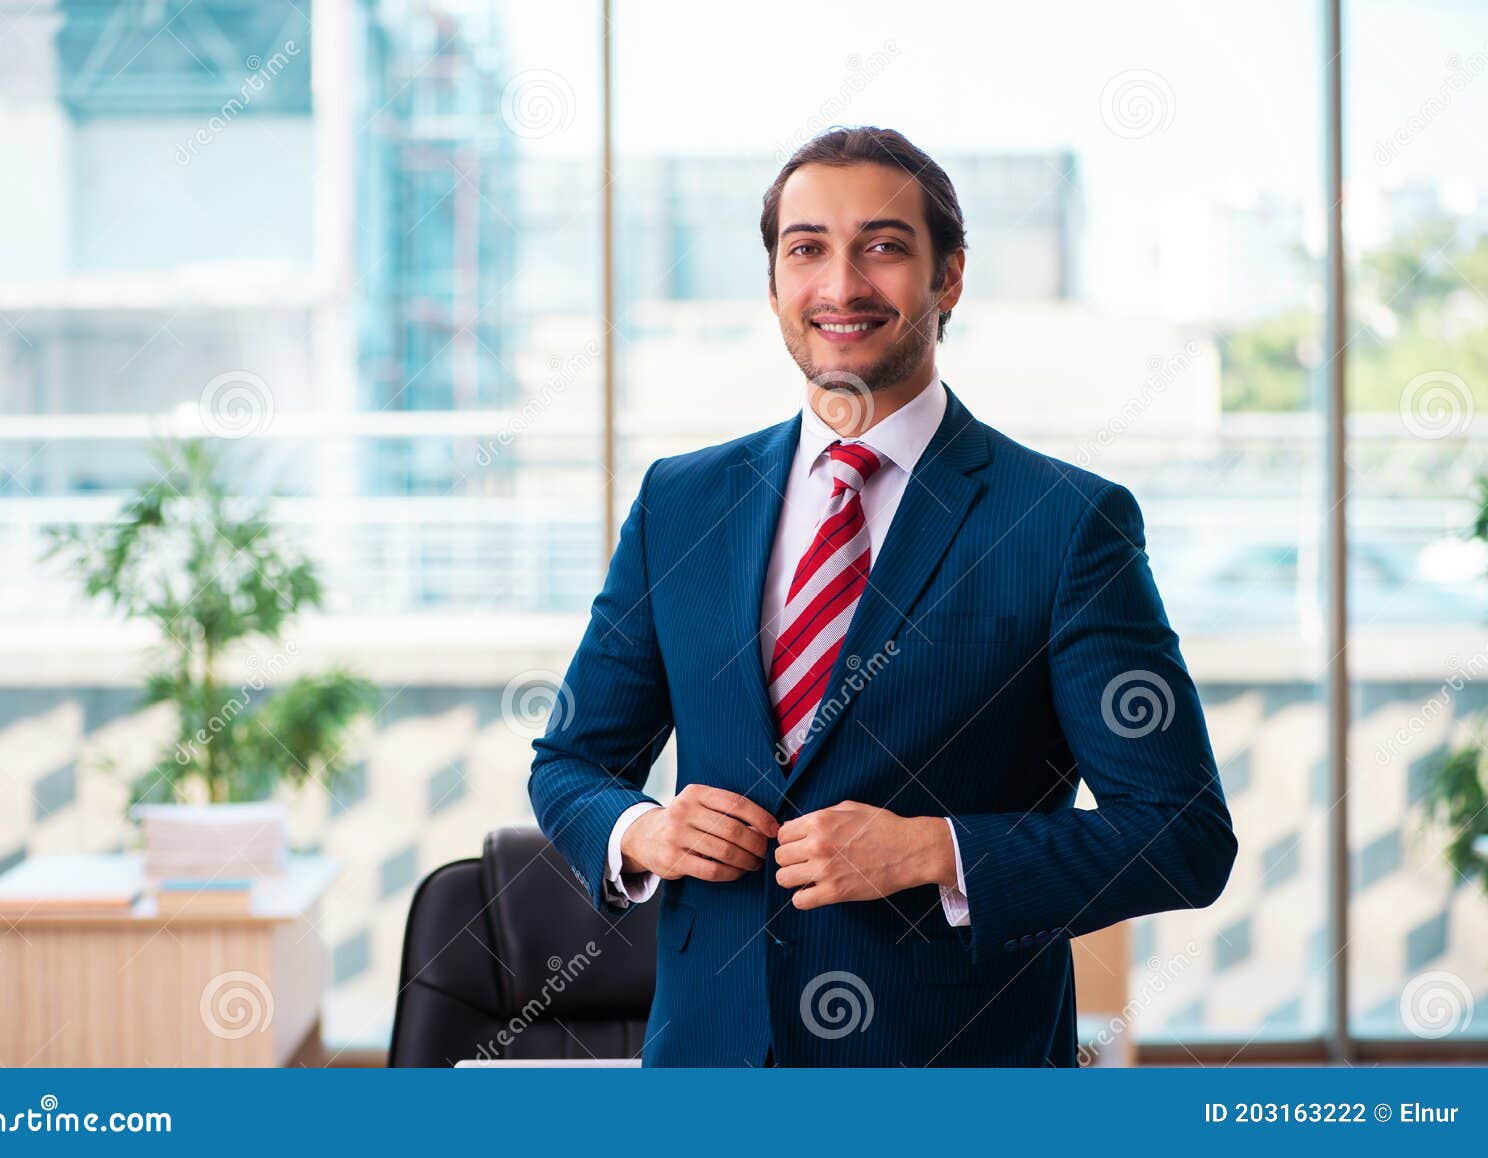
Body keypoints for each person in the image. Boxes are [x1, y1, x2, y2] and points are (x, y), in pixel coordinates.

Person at [529, 125, 1236, 1067]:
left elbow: (1182, 834)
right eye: (807, 248)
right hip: (711, 1059)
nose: (841, 285)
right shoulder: (680, 503)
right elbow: (570, 762)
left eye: (885, 247)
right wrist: (643, 829)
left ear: (948, 279)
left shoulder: (1064, 524)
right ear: (775, 283)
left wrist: (933, 853)